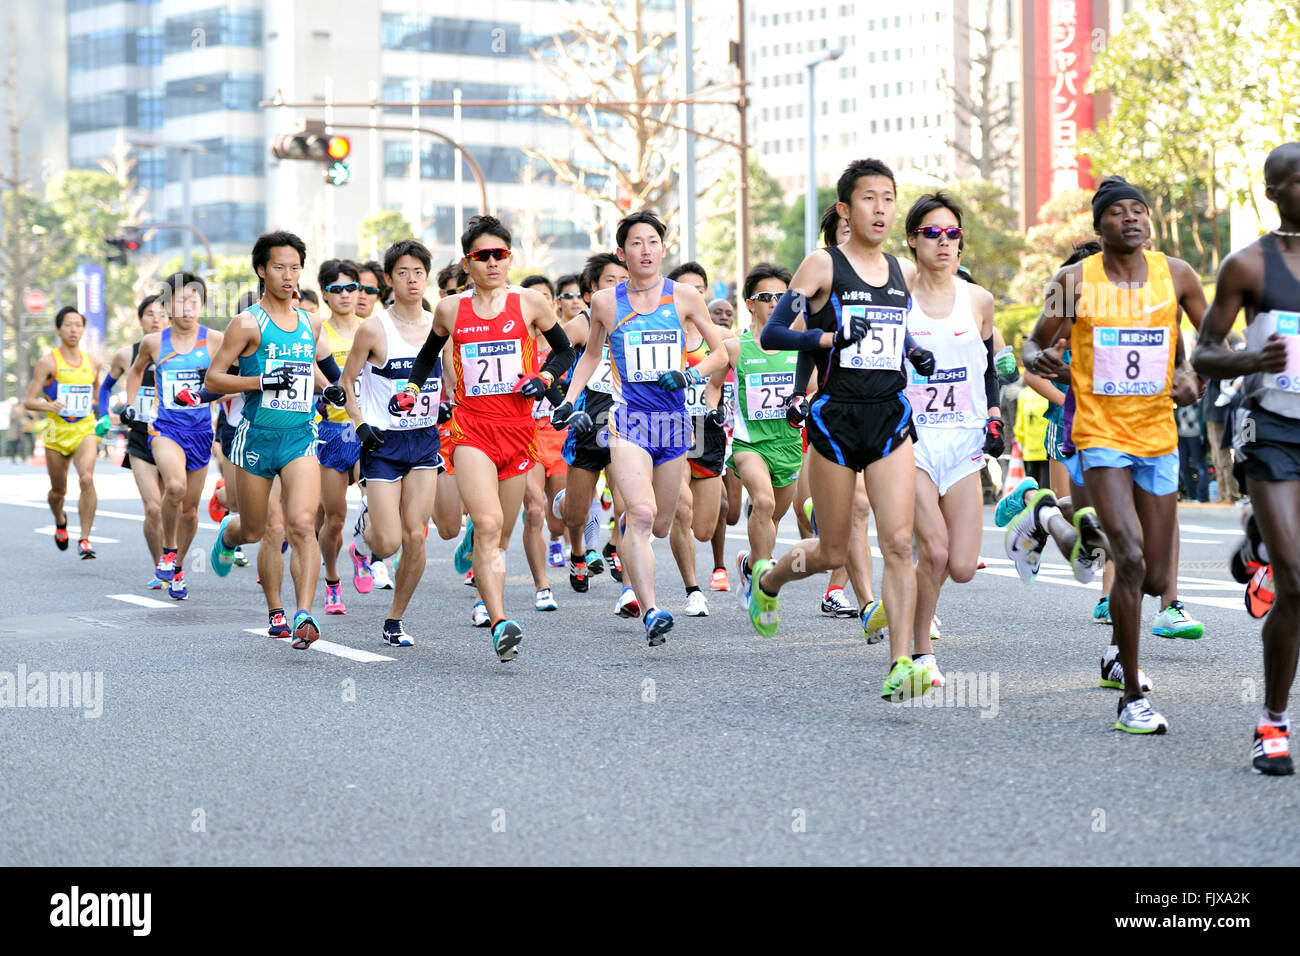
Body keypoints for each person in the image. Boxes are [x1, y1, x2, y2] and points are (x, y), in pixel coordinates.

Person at [1022, 175, 1205, 735]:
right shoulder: (1072, 281)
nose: (1131, 218)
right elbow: (1032, 344)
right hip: (1099, 434)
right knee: (1127, 556)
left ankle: (1046, 516)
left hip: (1159, 438)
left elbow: (1215, 340)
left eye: (1139, 210)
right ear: (1098, 226)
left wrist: (1193, 374)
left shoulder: (1177, 274)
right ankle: (1130, 694)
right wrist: (1043, 358)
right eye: (1118, 212)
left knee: (1153, 579)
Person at [752, 160, 932, 700]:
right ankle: (768, 580)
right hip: (834, 418)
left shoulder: (901, 270)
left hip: (889, 415)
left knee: (899, 542)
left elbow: (892, 333)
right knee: (832, 551)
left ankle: (902, 661)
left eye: (888, 199)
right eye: (869, 199)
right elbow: (775, 336)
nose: (880, 209)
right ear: (845, 210)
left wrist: (914, 350)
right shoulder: (823, 265)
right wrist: (830, 340)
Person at [400, 218, 575, 660]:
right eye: (483, 256)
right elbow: (424, 359)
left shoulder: (531, 303)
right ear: (467, 262)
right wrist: (413, 389)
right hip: (472, 430)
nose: (493, 262)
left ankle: (485, 582)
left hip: (518, 433)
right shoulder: (451, 310)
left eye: (501, 254)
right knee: (489, 523)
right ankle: (499, 622)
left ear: (510, 257)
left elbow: (566, 350)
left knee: (501, 534)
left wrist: (546, 377)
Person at [552, 211, 728, 643]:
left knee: (665, 524)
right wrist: (569, 399)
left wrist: (689, 375)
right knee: (642, 514)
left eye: (653, 242)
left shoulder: (684, 297)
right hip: (628, 422)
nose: (645, 250)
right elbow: (591, 355)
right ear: (621, 252)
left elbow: (720, 353)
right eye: (636, 243)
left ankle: (569, 507)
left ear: (662, 249)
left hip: (673, 425)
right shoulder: (607, 303)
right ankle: (650, 610)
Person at [1192, 141, 1300, 772]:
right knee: (1297, 583)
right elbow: (1204, 353)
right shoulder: (1247, 265)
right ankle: (1273, 722)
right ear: (1273, 192)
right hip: (1272, 428)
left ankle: (1259, 537)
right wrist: (1250, 360)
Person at [205, 230, 336, 649]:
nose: (288, 275)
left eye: (295, 267)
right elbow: (212, 379)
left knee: (299, 524)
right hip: (255, 440)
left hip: (299, 437)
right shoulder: (246, 324)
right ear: (262, 270)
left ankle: (299, 614)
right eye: (279, 267)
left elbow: (307, 369)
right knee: (260, 529)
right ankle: (229, 532)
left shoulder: (310, 322)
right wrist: (259, 380)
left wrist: (327, 387)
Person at [897, 192, 1002, 685]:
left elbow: (992, 370)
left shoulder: (979, 300)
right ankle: (920, 652)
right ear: (913, 240)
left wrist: (996, 415)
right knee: (934, 552)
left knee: (960, 566)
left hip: (964, 443)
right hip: (911, 443)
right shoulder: (897, 302)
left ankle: (1026, 506)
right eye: (932, 233)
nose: (944, 242)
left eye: (952, 234)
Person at [340, 240, 449, 647]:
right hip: (382, 443)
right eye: (402, 272)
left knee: (417, 536)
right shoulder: (373, 328)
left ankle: (395, 617)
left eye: (418, 272)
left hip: (423, 441)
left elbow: (449, 381)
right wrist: (359, 423)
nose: (411, 279)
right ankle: (365, 531)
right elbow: (346, 382)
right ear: (389, 279)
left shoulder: (440, 326)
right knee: (386, 543)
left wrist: (446, 406)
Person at [729, 263, 805, 607]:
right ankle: (761, 584)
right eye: (765, 296)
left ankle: (748, 564)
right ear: (749, 303)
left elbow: (815, 388)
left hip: (788, 443)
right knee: (763, 502)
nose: (774, 302)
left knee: (773, 517)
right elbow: (714, 386)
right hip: (749, 444)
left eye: (782, 296)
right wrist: (715, 409)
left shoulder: (801, 345)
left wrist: (804, 402)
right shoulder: (736, 346)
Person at [666, 261, 739, 617]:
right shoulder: (662, 333)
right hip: (672, 426)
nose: (690, 293)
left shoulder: (722, 337)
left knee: (705, 528)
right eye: (683, 287)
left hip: (707, 430)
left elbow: (760, 356)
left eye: (697, 288)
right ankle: (693, 590)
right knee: (681, 509)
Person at [554, 253, 630, 592]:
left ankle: (614, 546)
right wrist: (565, 405)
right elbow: (551, 366)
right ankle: (578, 552)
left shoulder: (635, 319)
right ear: (591, 293)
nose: (617, 288)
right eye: (609, 282)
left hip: (622, 425)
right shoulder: (581, 324)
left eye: (621, 281)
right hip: (585, 427)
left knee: (626, 500)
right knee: (576, 512)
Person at [23, 306, 103, 558]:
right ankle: (60, 518)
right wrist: (48, 405)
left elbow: (98, 397)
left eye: (78, 324)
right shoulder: (49, 362)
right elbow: (29, 400)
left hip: (84, 429)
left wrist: (100, 411)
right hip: (56, 433)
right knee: (58, 491)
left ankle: (85, 539)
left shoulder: (93, 363)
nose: (73, 329)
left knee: (87, 479)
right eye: (68, 324)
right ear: (58, 329)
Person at [104, 294, 169, 585]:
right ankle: (160, 567)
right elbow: (105, 388)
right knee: (153, 508)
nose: (156, 319)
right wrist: (105, 414)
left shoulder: (180, 353)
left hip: (172, 437)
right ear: (140, 319)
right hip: (141, 438)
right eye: (149, 314)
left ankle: (173, 560)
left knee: (172, 506)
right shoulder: (125, 355)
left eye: (161, 314)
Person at [314, 259, 364, 615]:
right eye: (336, 289)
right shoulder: (318, 332)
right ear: (325, 295)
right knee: (334, 519)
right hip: (331, 431)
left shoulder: (372, 329)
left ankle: (362, 551)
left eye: (351, 288)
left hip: (367, 430)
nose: (344, 295)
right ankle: (332, 581)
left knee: (377, 506)